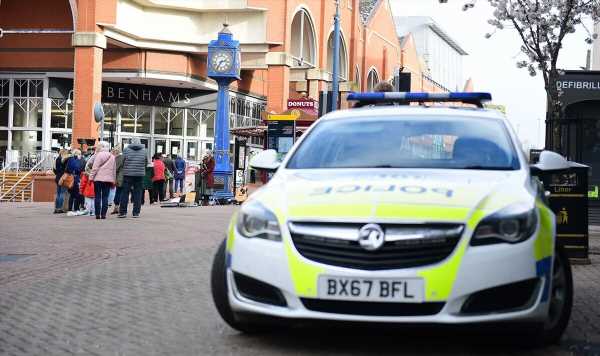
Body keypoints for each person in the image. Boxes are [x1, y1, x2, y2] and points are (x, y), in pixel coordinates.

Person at [119, 137, 147, 218]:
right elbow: (146, 162)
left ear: (131, 142)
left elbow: (122, 161)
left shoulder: (126, 150)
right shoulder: (144, 151)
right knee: (138, 193)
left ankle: (123, 212)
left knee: (125, 193)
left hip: (127, 174)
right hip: (139, 175)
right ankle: (136, 213)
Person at [90, 141, 116, 219]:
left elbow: (95, 168)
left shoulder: (98, 155)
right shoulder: (112, 156)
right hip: (108, 180)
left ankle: (97, 214)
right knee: (105, 197)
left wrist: (91, 177)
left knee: (97, 196)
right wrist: (113, 180)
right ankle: (103, 214)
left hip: (98, 179)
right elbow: (114, 170)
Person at [65, 149, 84, 216]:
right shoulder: (74, 160)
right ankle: (75, 210)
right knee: (77, 195)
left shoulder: (70, 159)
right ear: (76, 154)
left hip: (72, 179)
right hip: (75, 179)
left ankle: (72, 210)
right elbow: (77, 168)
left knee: (73, 195)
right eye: (79, 154)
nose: (80, 156)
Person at [52, 148, 69, 214]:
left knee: (58, 193)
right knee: (62, 193)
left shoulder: (57, 159)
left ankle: (56, 208)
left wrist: (57, 174)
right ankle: (60, 208)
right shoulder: (66, 160)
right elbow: (67, 169)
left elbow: (54, 169)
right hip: (63, 178)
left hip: (57, 177)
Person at [111, 146, 125, 214]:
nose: (113, 152)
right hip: (122, 177)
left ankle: (117, 207)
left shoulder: (119, 158)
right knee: (120, 192)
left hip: (120, 177)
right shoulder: (122, 157)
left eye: (114, 151)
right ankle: (118, 207)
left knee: (119, 192)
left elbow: (115, 168)